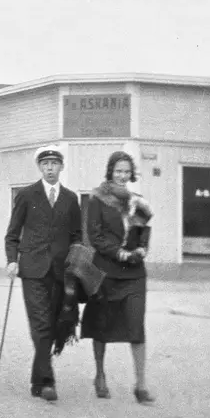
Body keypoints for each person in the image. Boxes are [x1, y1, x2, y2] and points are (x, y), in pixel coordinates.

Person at [3, 145, 83, 402]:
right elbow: (12, 233)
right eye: (45, 164)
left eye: (54, 164)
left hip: (60, 272)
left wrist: (76, 261)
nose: (49, 168)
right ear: (40, 167)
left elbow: (76, 236)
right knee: (41, 323)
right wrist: (11, 260)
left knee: (53, 323)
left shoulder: (71, 199)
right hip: (33, 269)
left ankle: (37, 378)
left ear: (61, 167)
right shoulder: (27, 195)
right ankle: (47, 380)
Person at [82, 151, 155, 404]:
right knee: (101, 325)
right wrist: (121, 254)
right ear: (110, 171)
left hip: (135, 275)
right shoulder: (97, 199)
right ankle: (100, 374)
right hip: (106, 272)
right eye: (118, 171)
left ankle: (141, 384)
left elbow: (144, 232)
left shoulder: (138, 201)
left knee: (136, 326)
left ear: (131, 173)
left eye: (126, 171)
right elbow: (95, 236)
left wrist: (142, 250)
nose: (122, 176)